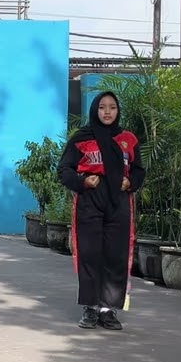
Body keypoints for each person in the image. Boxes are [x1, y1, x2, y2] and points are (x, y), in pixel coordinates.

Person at [58, 92, 145, 331]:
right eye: (102, 108)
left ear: (118, 111)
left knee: (115, 255)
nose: (107, 112)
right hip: (90, 202)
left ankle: (109, 310)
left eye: (112, 108)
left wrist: (131, 183)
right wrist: (83, 181)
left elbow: (138, 171)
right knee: (90, 254)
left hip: (119, 202)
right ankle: (90, 308)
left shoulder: (128, 139)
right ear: (95, 110)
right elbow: (64, 170)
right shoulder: (80, 139)